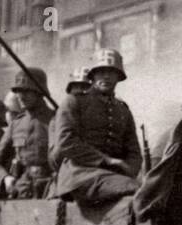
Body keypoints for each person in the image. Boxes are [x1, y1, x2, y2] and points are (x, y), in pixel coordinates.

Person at [52, 48, 140, 208]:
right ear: (92, 76)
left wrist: (129, 170)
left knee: (148, 188)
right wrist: (107, 160)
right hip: (79, 176)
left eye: (111, 72)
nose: (106, 76)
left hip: (112, 178)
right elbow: (66, 142)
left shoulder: (123, 110)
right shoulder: (74, 102)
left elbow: (134, 151)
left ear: (119, 76)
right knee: (137, 189)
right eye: (101, 72)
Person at [0, 67, 56, 199]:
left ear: (39, 92)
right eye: (18, 91)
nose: (20, 96)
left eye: (26, 91)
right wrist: (5, 178)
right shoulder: (16, 124)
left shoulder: (56, 119)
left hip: (51, 188)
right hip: (22, 190)